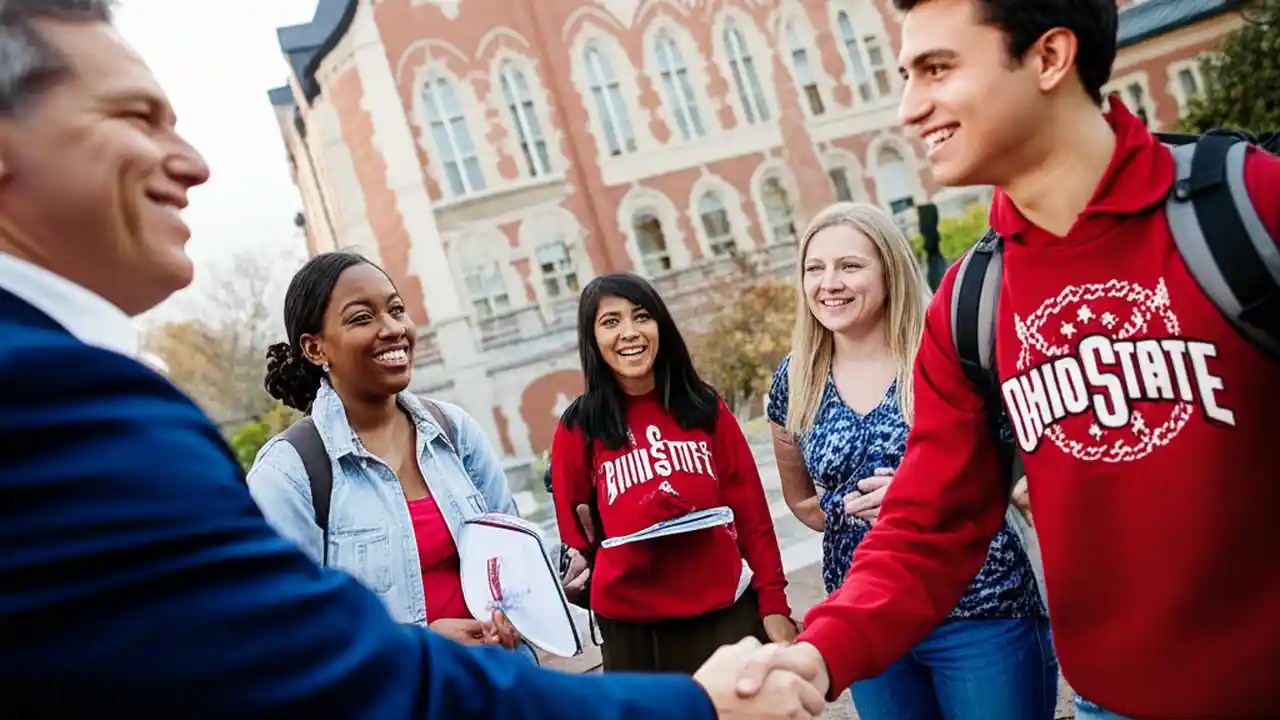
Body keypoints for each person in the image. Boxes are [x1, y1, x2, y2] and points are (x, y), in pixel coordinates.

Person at [0, 3, 825, 717]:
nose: (191, 163)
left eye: (397, 308)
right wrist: (697, 704)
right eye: (133, 118)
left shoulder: (453, 432)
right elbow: (322, 665)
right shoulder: (61, 402)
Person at [734, 1, 1280, 718]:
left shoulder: (1249, 210)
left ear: (1050, 58)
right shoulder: (971, 304)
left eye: (937, 69)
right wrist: (816, 655)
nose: (908, 108)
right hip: (1111, 705)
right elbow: (928, 526)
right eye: (905, 75)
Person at [768, 202, 1055, 720]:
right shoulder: (795, 380)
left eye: (850, 266)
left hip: (981, 609)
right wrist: (849, 507)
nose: (829, 283)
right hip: (867, 622)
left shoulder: (946, 353)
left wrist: (921, 493)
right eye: (815, 268)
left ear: (889, 270)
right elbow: (802, 499)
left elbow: (1008, 470)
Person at [247, 251, 527, 655]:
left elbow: (514, 553)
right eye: (362, 318)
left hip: (501, 685)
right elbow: (287, 629)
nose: (393, 328)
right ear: (315, 348)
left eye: (396, 309)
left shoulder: (454, 431)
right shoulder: (288, 473)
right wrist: (418, 644)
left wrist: (517, 611)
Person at [551, 273, 797, 674]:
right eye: (610, 322)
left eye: (641, 316)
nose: (629, 332)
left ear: (660, 326)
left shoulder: (704, 407)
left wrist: (774, 605)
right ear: (592, 339)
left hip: (725, 616)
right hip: (635, 637)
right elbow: (575, 537)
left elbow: (753, 517)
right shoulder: (578, 427)